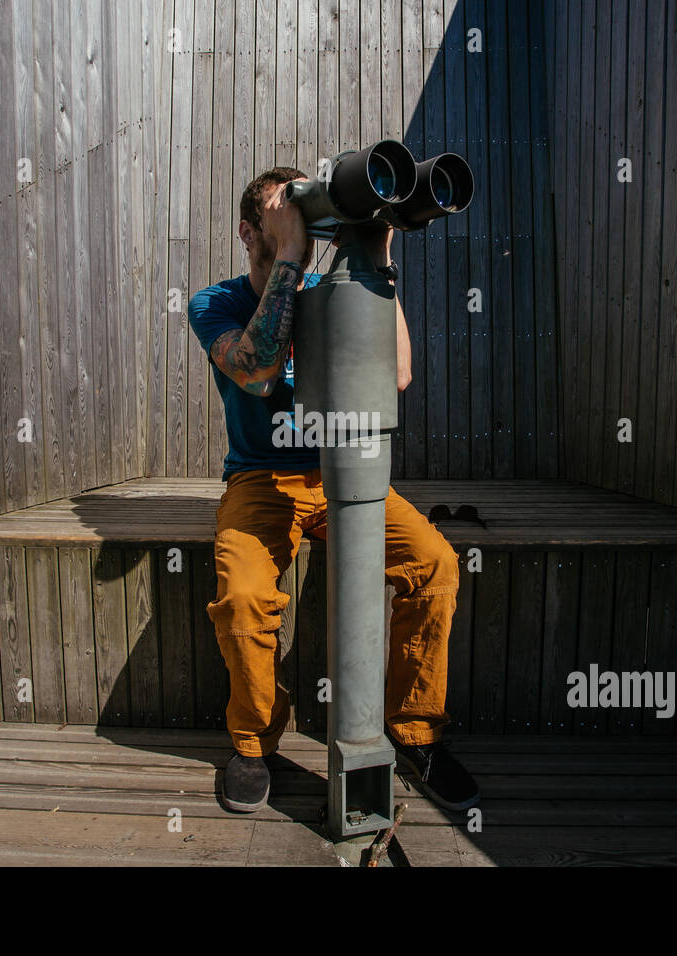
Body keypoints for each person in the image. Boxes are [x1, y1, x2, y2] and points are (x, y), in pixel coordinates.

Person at [187, 166, 480, 814]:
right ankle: (255, 742)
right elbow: (260, 373)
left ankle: (415, 731)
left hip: (342, 468)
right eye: (283, 213)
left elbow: (397, 373)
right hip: (261, 478)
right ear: (248, 231)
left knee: (435, 565)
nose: (301, 224)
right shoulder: (215, 303)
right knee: (244, 598)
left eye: (306, 214)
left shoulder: (333, 290)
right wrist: (292, 254)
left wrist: (377, 262)